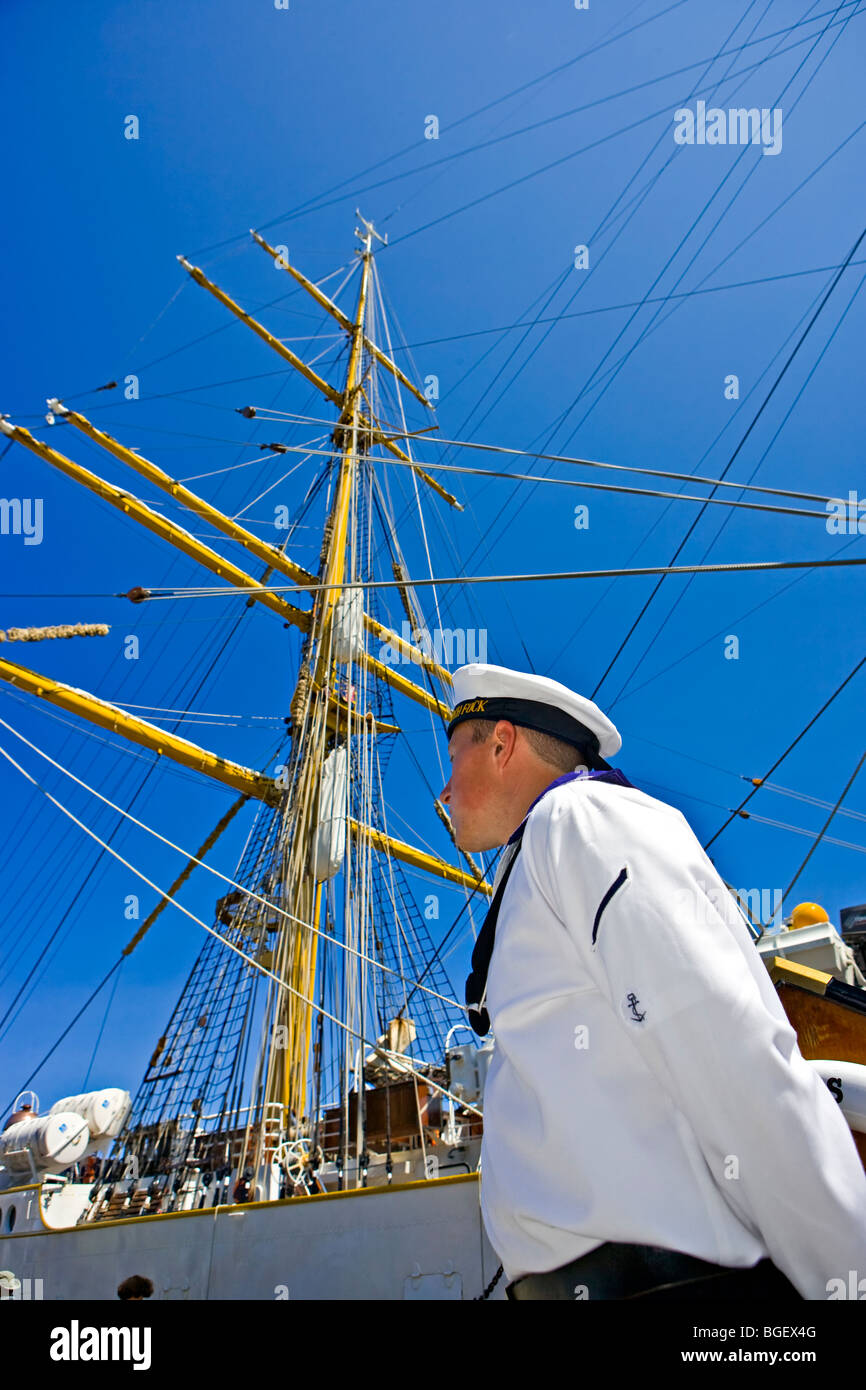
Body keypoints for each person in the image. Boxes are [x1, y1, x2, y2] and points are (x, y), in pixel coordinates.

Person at [440, 662, 866, 1300]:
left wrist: (845, 1277)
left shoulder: (584, 816)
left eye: (453, 759)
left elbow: (720, 1038)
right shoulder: (544, 849)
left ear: (501, 743)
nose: (443, 792)